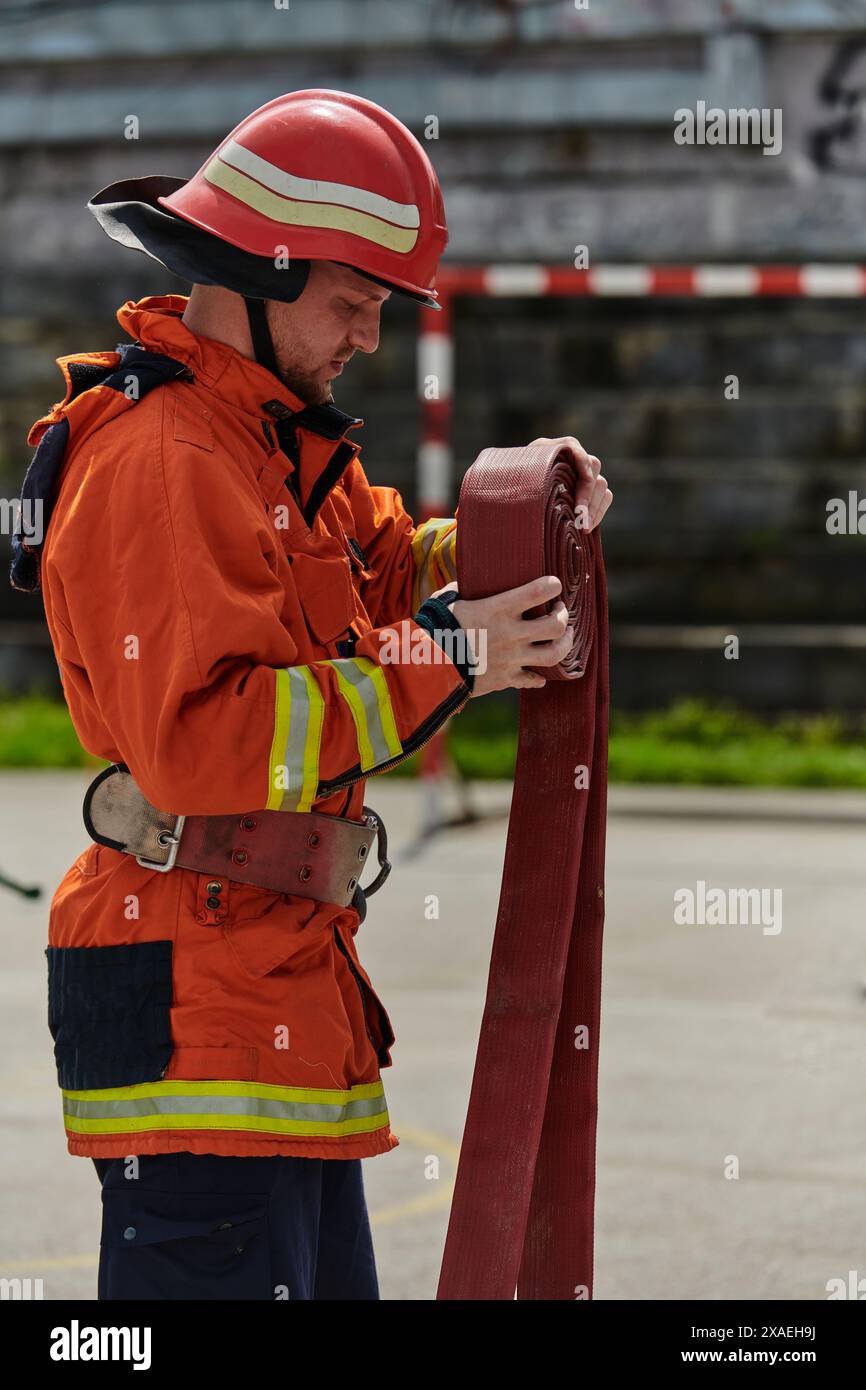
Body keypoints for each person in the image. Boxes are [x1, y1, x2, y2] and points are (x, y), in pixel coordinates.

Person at [10, 89, 611, 1300]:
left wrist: (510, 533)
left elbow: (388, 570)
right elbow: (213, 741)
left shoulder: (271, 449)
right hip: (199, 1011)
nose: (370, 338)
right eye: (355, 302)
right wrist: (453, 654)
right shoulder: (167, 462)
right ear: (261, 270)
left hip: (268, 992)